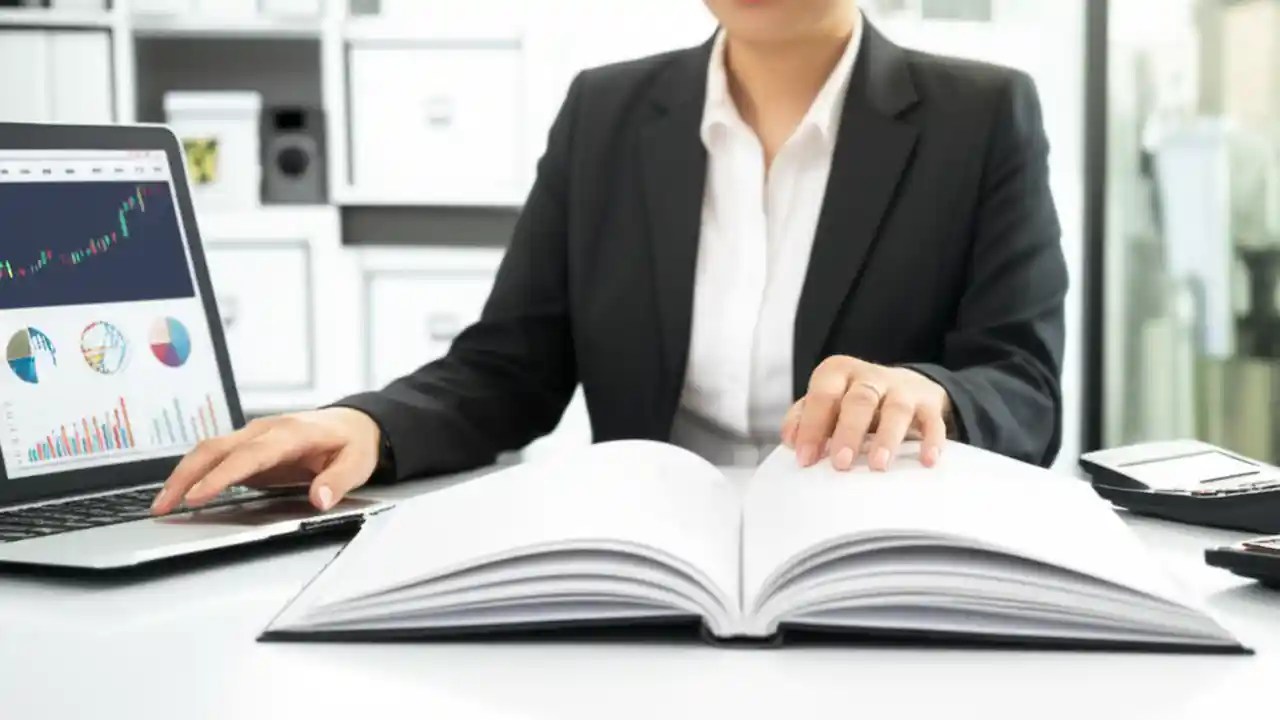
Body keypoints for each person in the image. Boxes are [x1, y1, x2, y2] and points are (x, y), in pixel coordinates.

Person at [152, 0, 1066, 515]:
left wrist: (932, 394)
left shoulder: (980, 116)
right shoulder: (607, 113)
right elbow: (510, 367)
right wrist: (369, 427)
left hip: (873, 556)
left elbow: (1023, 383)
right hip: (646, 561)